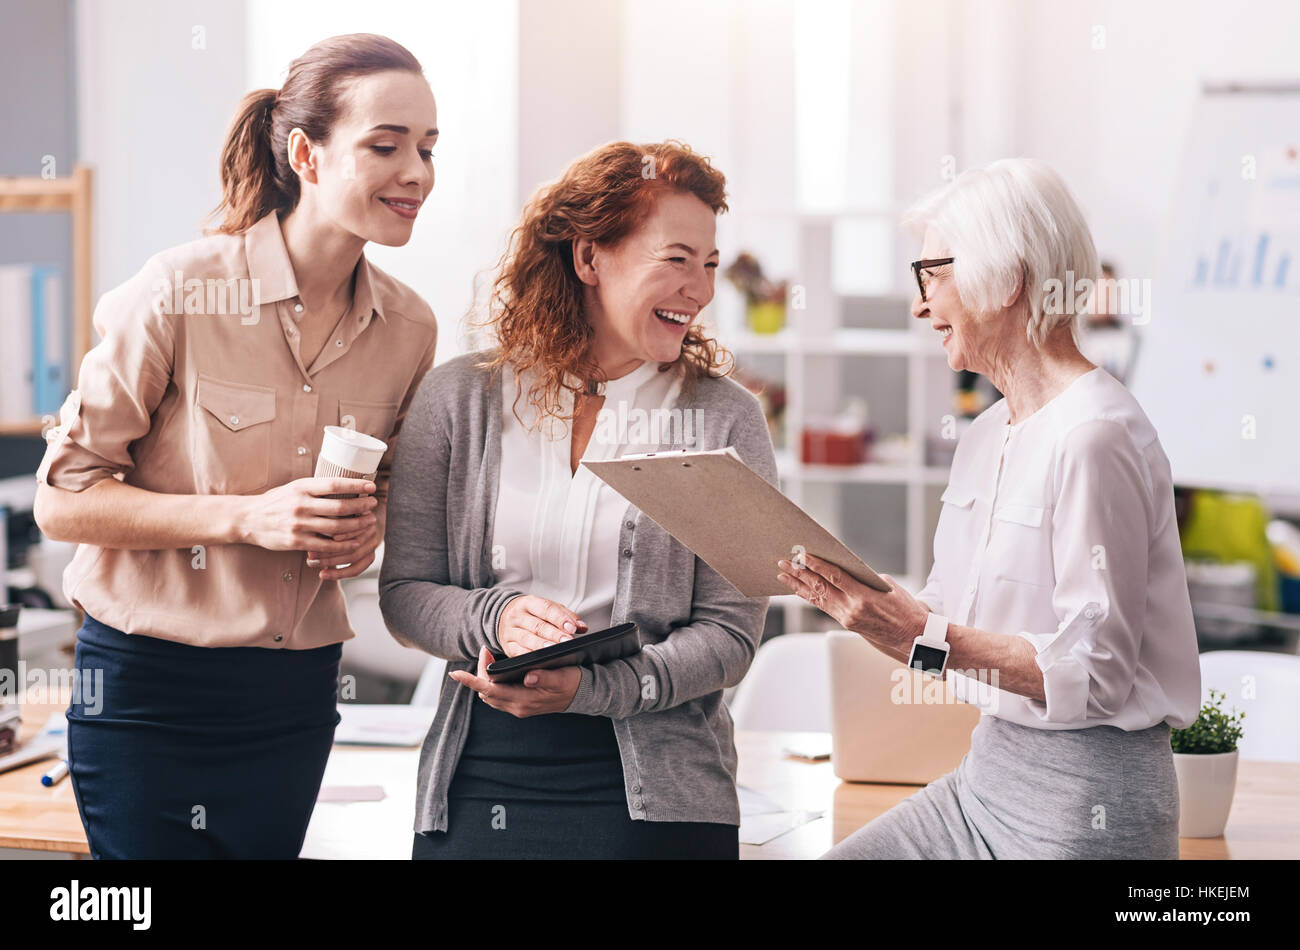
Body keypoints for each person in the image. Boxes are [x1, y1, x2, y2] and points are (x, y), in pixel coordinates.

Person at [31, 34, 439, 859]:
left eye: (428, 149)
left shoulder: (410, 328)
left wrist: (367, 529)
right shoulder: (180, 290)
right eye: (386, 146)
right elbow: (62, 499)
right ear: (306, 154)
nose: (418, 173)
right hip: (151, 687)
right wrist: (246, 518)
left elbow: (385, 491)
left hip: (291, 695)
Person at [776, 158, 1202, 859]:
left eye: (933, 275)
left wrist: (925, 635)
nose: (919, 305)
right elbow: (949, 615)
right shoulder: (983, 434)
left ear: (1007, 279)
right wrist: (869, 602)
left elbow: (1095, 670)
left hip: (1086, 806)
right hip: (984, 782)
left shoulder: (1095, 436)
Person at [379, 140, 778, 860]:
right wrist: (493, 616)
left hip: (661, 795)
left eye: (710, 265)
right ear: (590, 259)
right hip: (480, 775)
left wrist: (595, 690)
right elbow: (406, 593)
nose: (702, 289)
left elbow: (730, 636)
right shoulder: (459, 398)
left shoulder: (725, 419)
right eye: (677, 259)